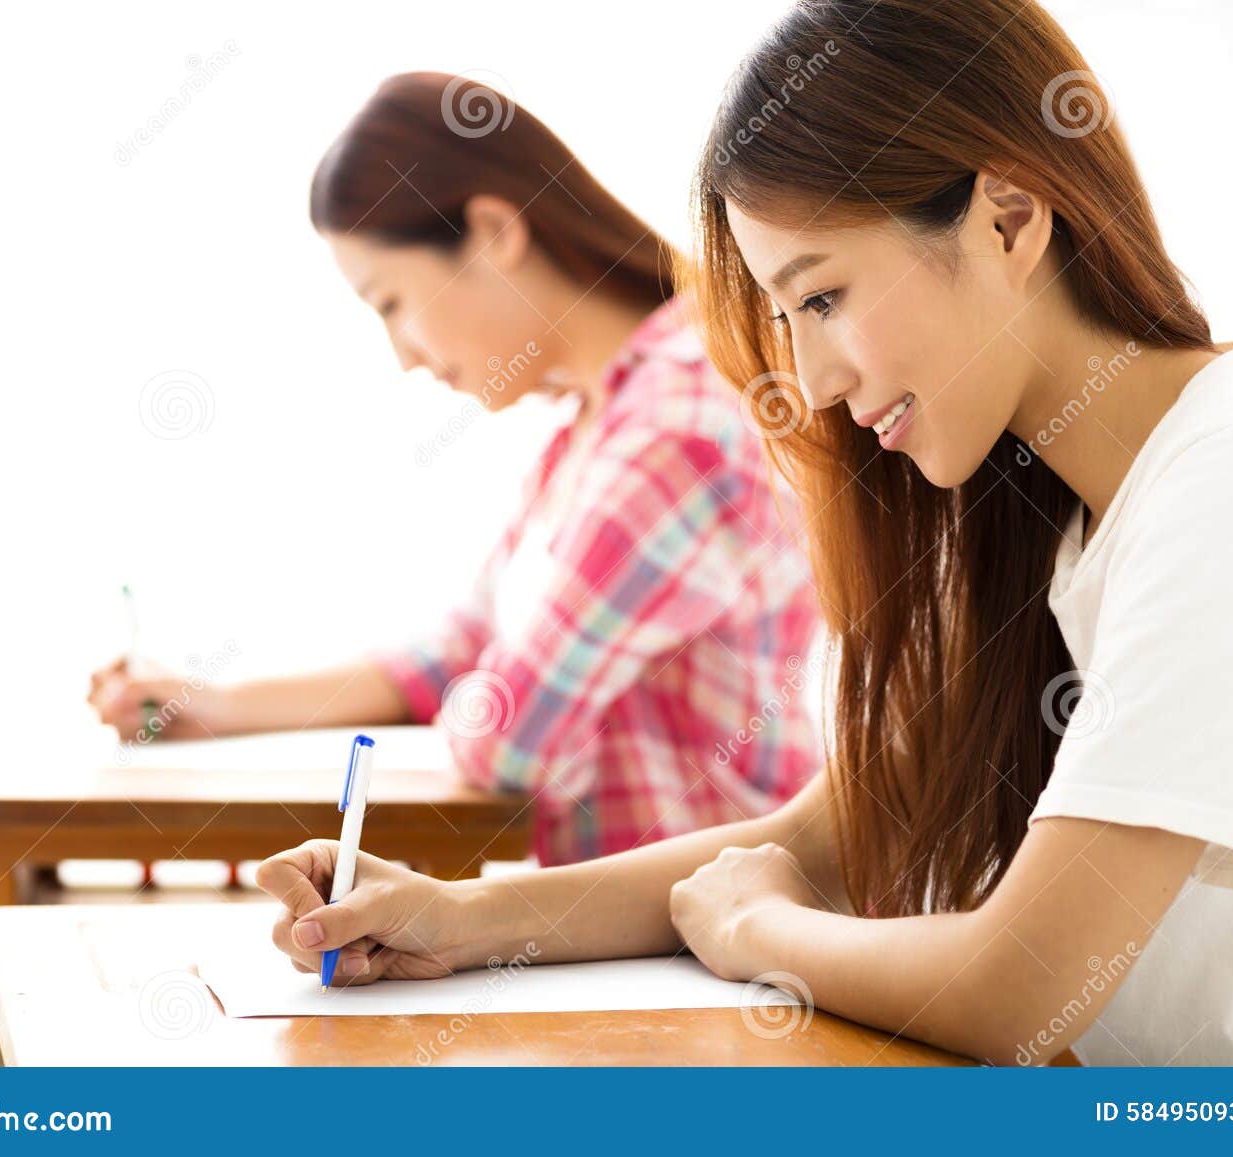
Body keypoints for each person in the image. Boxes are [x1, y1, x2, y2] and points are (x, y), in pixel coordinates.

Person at [254, 4, 1233, 1065]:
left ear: (1008, 217)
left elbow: (1017, 989)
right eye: (781, 316)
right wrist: (461, 920)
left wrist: (757, 928)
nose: (809, 380)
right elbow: (824, 838)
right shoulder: (1047, 513)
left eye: (821, 297)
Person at [89, 72, 823, 866]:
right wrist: (217, 706)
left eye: (392, 301)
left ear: (494, 231)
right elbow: (463, 647)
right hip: (648, 938)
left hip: (711, 954)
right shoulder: (595, 424)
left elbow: (508, 736)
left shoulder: (677, 426)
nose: (402, 355)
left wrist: (485, 695)